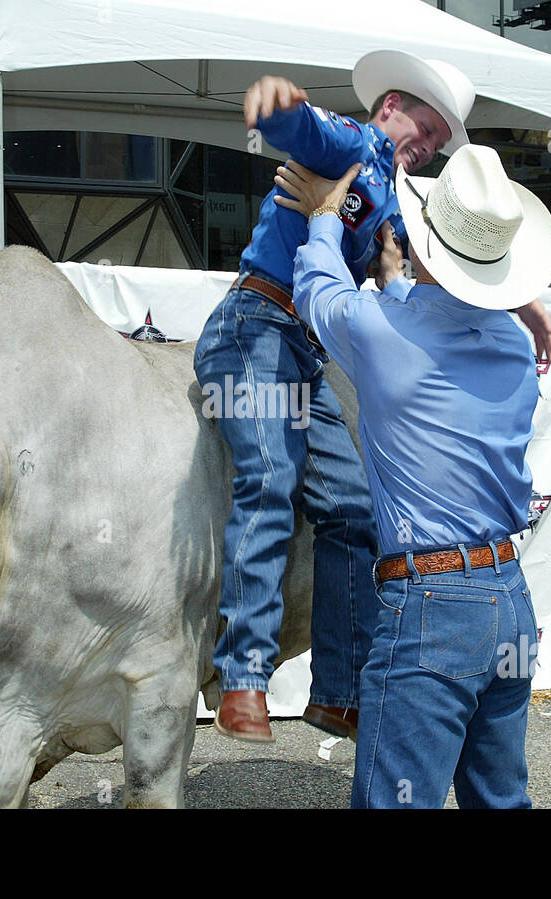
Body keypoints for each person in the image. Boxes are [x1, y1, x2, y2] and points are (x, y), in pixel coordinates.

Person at [194, 51, 478, 743]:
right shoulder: (355, 142)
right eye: (429, 125)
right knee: (270, 479)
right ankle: (244, 677)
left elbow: (440, 264)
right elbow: (306, 133)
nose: (430, 143)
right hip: (253, 326)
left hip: (298, 348)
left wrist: (519, 302)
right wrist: (278, 104)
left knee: (355, 507)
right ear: (390, 106)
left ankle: (340, 690)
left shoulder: (392, 197)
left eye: (440, 140)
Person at [275, 142, 551, 807]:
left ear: (423, 245)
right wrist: (403, 277)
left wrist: (321, 216)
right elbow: (423, 321)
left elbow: (317, 289)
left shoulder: (381, 329)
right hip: (506, 596)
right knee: (499, 797)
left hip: (431, 603)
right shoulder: (513, 343)